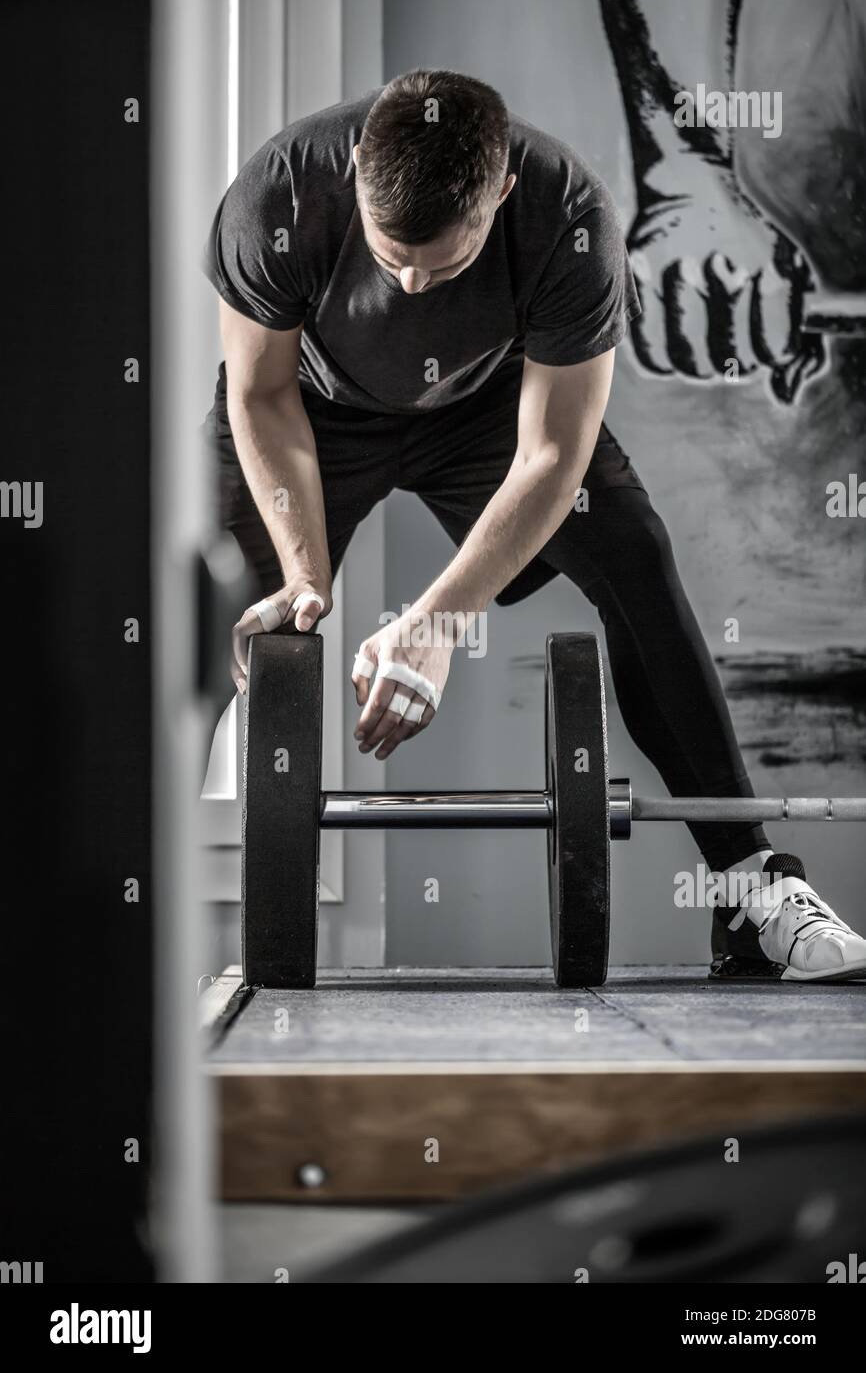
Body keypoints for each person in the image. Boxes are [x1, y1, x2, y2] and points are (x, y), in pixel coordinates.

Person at [202, 69, 865, 983]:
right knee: (205, 608)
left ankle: (751, 890)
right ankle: (114, 887)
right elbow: (260, 392)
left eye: (439, 263)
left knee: (635, 554)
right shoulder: (277, 195)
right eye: (391, 252)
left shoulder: (569, 216)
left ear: (501, 192)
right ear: (356, 169)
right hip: (311, 410)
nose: (407, 280)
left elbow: (553, 454)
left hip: (489, 415)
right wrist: (306, 578)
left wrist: (437, 623)